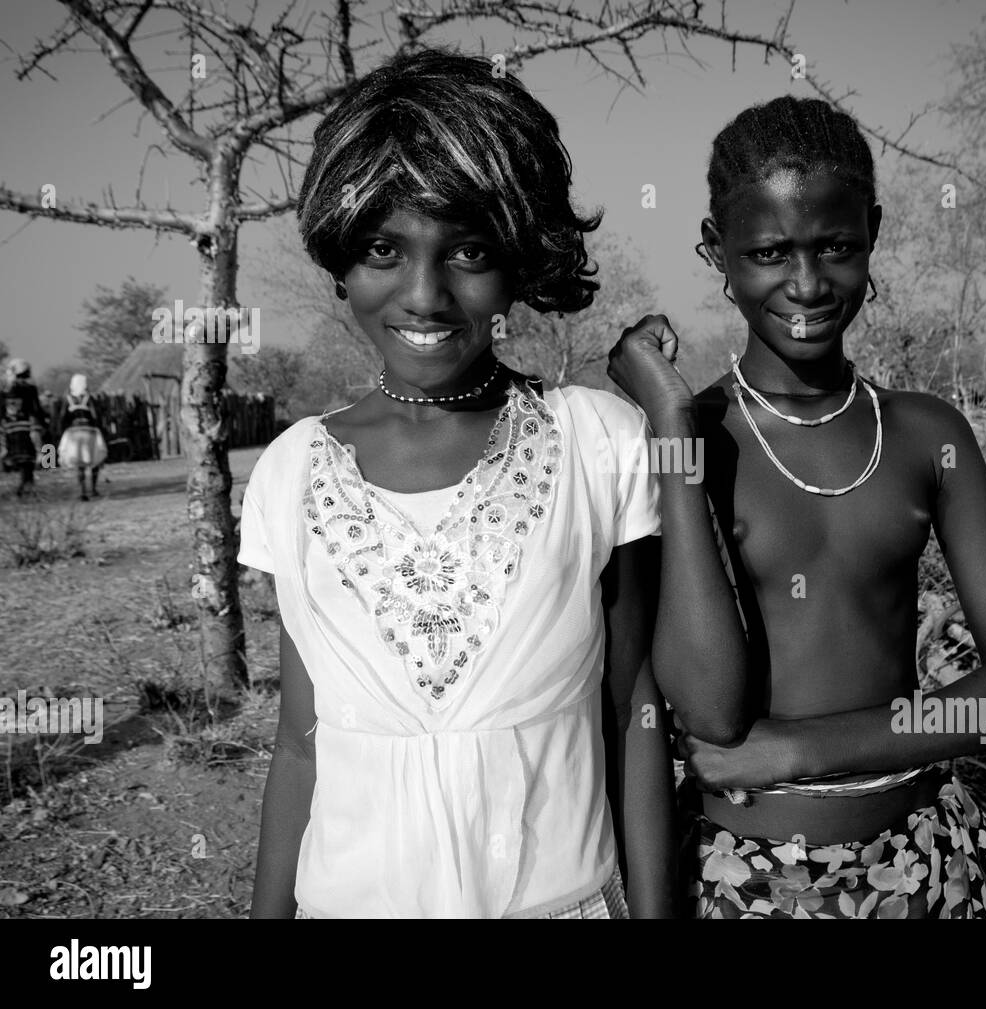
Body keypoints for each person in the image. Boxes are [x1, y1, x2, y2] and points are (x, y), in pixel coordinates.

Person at [608, 96, 986, 918]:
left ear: (874, 232)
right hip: (739, 882)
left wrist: (801, 749)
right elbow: (697, 706)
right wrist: (672, 427)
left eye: (837, 248)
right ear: (717, 250)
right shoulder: (689, 440)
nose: (809, 284)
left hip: (925, 867)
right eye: (771, 252)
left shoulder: (928, 436)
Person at [244, 48, 673, 918]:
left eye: (469, 250)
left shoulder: (599, 444)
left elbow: (633, 714)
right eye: (383, 249)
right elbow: (300, 743)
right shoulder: (291, 472)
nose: (425, 293)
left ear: (519, 256)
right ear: (341, 259)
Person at [58, 373, 109, 501]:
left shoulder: (68, 399)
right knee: (95, 460)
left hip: (73, 434)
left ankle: (83, 491)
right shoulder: (89, 399)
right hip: (89, 432)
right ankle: (93, 489)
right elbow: (96, 416)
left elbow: (63, 417)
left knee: (78, 462)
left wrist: (63, 431)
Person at [1, 359, 47, 497]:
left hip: (9, 424)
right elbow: (36, 407)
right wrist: (43, 422)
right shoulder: (30, 388)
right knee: (42, 444)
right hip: (28, 423)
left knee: (18, 457)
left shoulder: (4, 389)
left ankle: (26, 484)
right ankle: (48, 464)